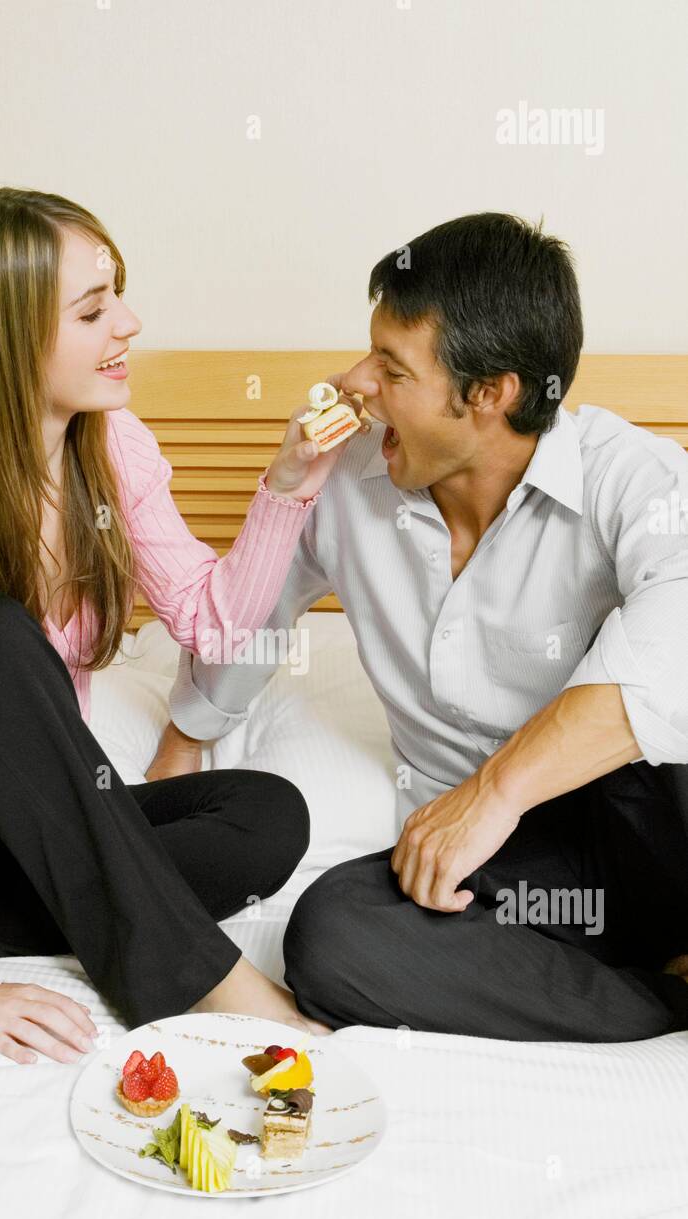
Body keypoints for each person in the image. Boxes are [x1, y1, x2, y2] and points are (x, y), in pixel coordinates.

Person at [0, 186, 363, 1061]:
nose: (130, 322)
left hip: (36, 824)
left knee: (266, 814)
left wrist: (290, 481)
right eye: (93, 309)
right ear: (6, 336)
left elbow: (216, 629)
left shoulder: (115, 449)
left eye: (119, 294)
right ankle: (205, 978)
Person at [151, 211, 688, 1043]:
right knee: (334, 939)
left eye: (390, 368)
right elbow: (251, 622)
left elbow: (676, 634)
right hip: (516, 874)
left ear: (490, 394)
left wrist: (499, 790)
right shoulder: (347, 488)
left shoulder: (630, 477)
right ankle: (661, 1002)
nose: (353, 383)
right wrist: (183, 745)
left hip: (651, 823)